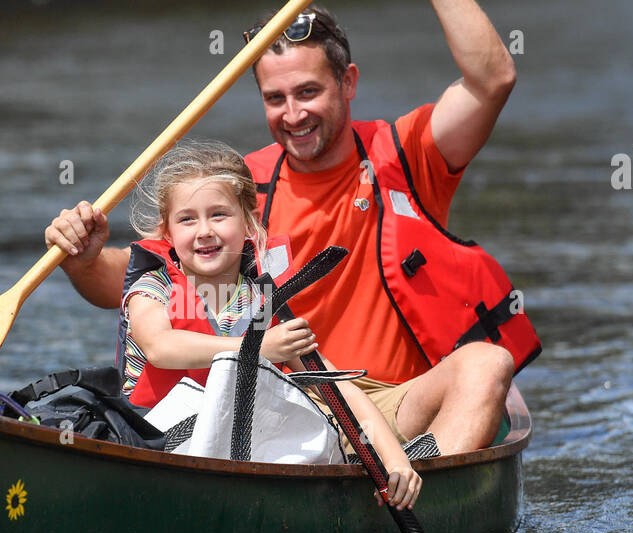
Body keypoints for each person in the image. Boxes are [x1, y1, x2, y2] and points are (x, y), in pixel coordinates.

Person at [45, 0, 538, 458]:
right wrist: (81, 259)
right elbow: (134, 281)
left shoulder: (405, 153)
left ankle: (414, 495)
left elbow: (493, 80)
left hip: (393, 404)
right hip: (286, 405)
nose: (293, 114)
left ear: (347, 83)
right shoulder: (240, 188)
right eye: (275, 97)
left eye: (309, 92)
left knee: (488, 361)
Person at [120, 139, 422, 509]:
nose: (204, 231)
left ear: (248, 222)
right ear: (167, 232)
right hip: (159, 449)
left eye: (219, 215)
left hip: (237, 459)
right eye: (187, 219)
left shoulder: (262, 305)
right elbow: (160, 348)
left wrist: (394, 460)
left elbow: (336, 389)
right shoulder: (152, 288)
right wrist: (256, 348)